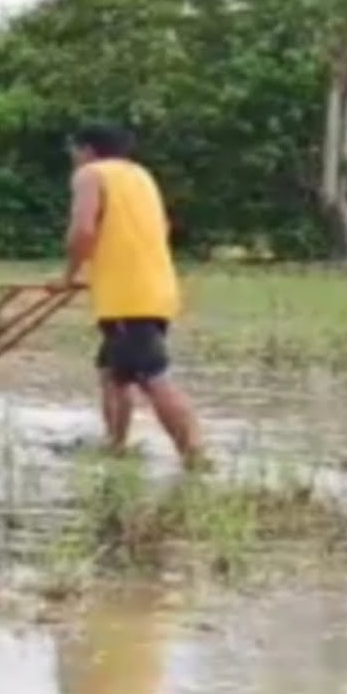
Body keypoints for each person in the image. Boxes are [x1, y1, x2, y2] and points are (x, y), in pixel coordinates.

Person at [47, 122, 207, 471]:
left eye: (74, 150)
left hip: (127, 297)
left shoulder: (90, 175)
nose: (73, 157)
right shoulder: (140, 176)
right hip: (156, 288)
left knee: (152, 376)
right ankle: (116, 445)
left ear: (87, 149)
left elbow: (83, 230)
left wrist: (67, 277)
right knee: (113, 372)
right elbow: (160, 229)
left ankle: (195, 456)